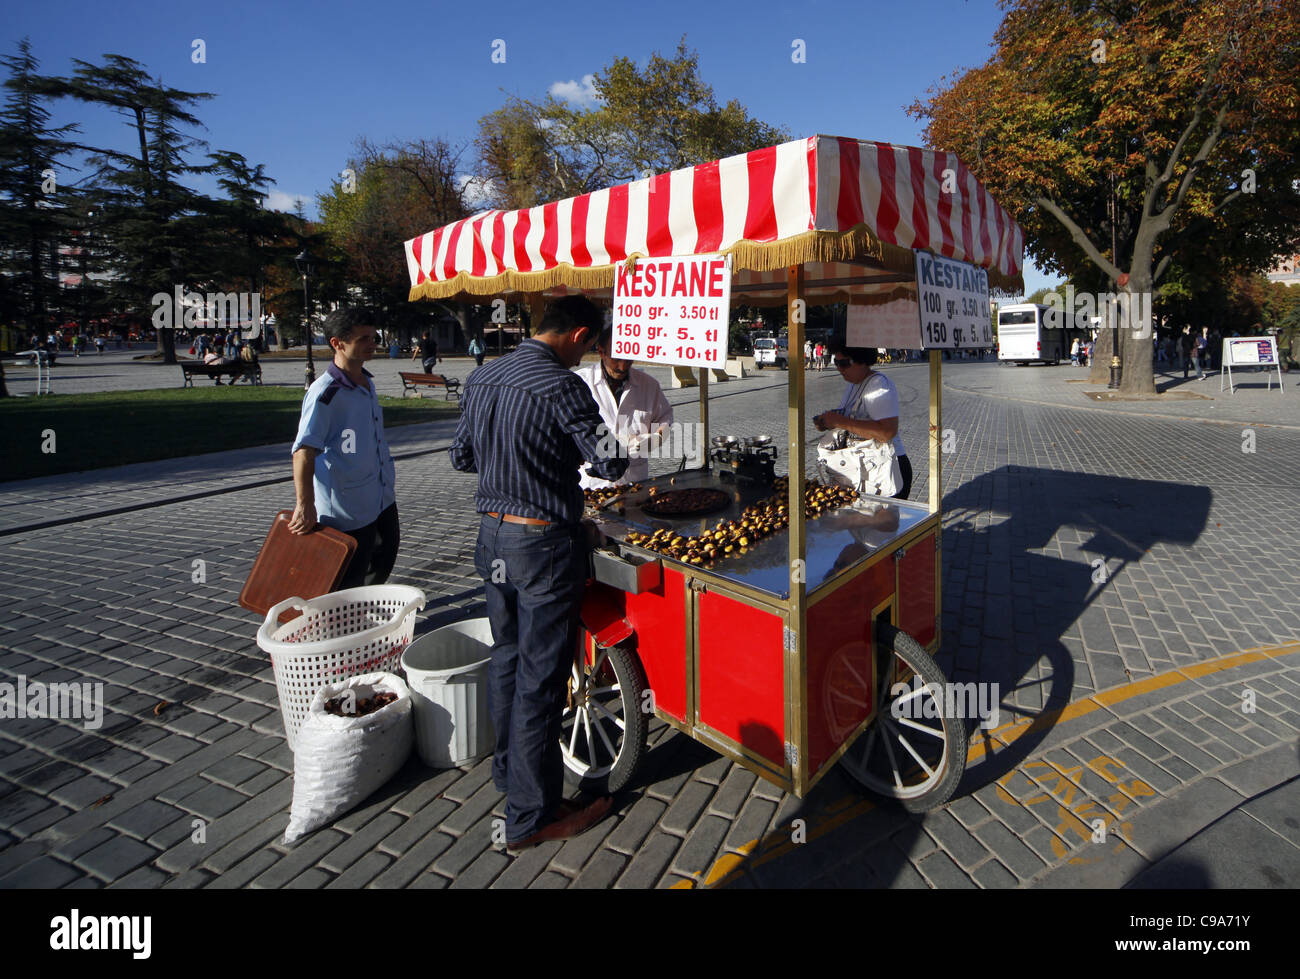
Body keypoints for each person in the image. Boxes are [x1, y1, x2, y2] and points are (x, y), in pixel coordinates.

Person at [450, 295, 626, 852]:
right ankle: (532, 815)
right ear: (577, 335)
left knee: (507, 659)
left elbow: (462, 458)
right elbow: (610, 463)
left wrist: (516, 458)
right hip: (543, 544)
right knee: (541, 682)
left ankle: (509, 774)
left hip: (492, 535)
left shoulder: (484, 376)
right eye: (591, 345)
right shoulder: (560, 385)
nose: (589, 356)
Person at [289, 307, 399, 590]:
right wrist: (305, 505)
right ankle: (344, 623)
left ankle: (367, 611)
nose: (372, 344)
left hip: (380, 495)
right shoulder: (326, 393)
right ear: (337, 343)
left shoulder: (367, 382)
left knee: (384, 558)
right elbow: (303, 451)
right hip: (347, 508)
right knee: (348, 578)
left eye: (373, 337)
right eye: (363, 338)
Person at [577, 325, 673, 488]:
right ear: (601, 352)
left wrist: (657, 436)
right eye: (616, 358)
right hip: (593, 483)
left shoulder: (649, 385)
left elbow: (665, 418)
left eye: (628, 359)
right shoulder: (580, 383)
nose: (623, 366)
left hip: (634, 480)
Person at [814, 344, 912, 500]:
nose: (839, 368)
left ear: (862, 361)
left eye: (844, 363)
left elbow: (887, 432)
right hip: (862, 468)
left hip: (886, 470)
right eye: (836, 362)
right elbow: (851, 420)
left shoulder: (878, 385)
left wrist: (840, 421)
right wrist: (828, 422)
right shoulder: (853, 384)